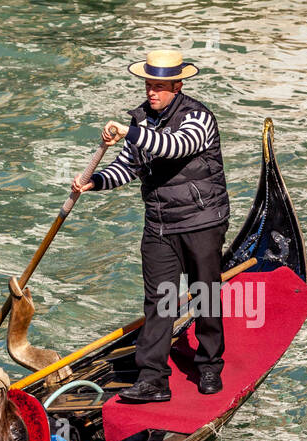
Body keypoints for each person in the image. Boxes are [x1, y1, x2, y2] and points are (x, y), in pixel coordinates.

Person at [72, 49, 230, 403]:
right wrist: (94, 182)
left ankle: (209, 365)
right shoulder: (142, 120)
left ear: (178, 84)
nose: (151, 92)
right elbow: (126, 169)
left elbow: (175, 146)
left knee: (205, 293)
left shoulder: (198, 117)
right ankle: (153, 378)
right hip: (159, 224)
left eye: (159, 86)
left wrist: (128, 130)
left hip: (201, 220)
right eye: (148, 85)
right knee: (159, 301)